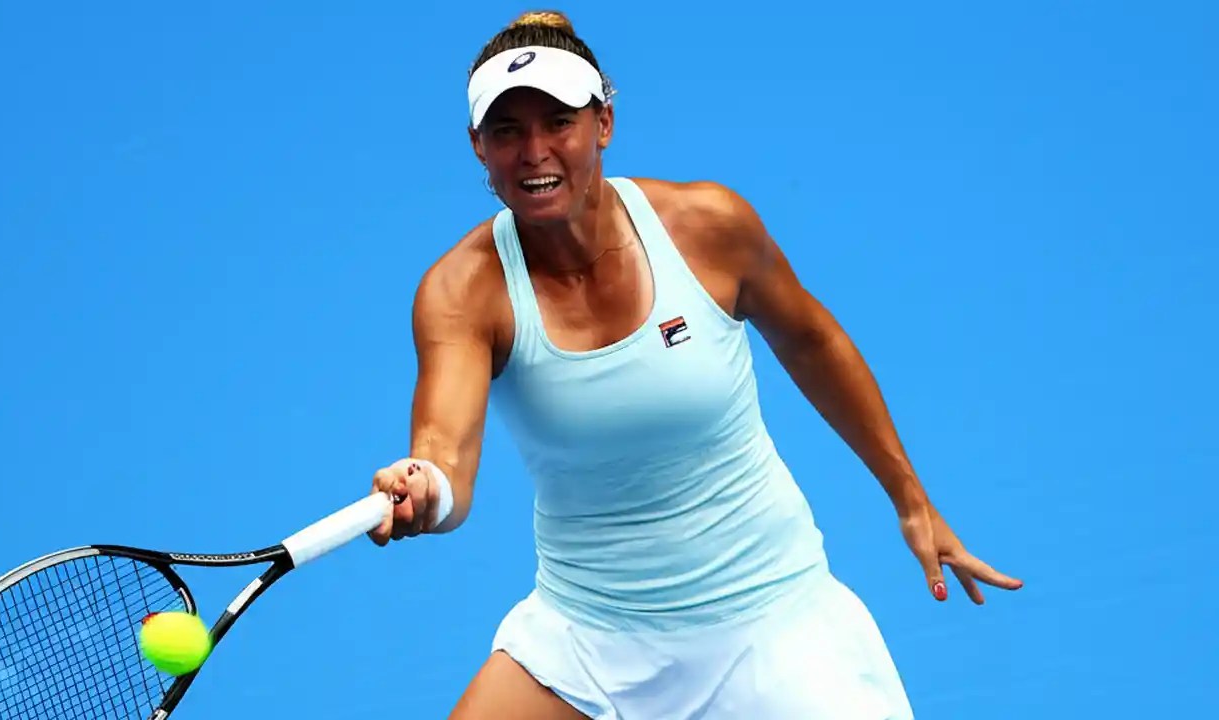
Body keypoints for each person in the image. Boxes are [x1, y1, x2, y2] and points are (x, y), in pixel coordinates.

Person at [366, 10, 1024, 719]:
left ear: (604, 124)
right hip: (587, 639)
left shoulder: (708, 228)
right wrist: (423, 487)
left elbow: (814, 343)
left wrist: (911, 498)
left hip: (773, 624)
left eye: (558, 122)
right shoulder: (462, 291)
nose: (534, 151)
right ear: (478, 148)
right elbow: (446, 452)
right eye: (506, 132)